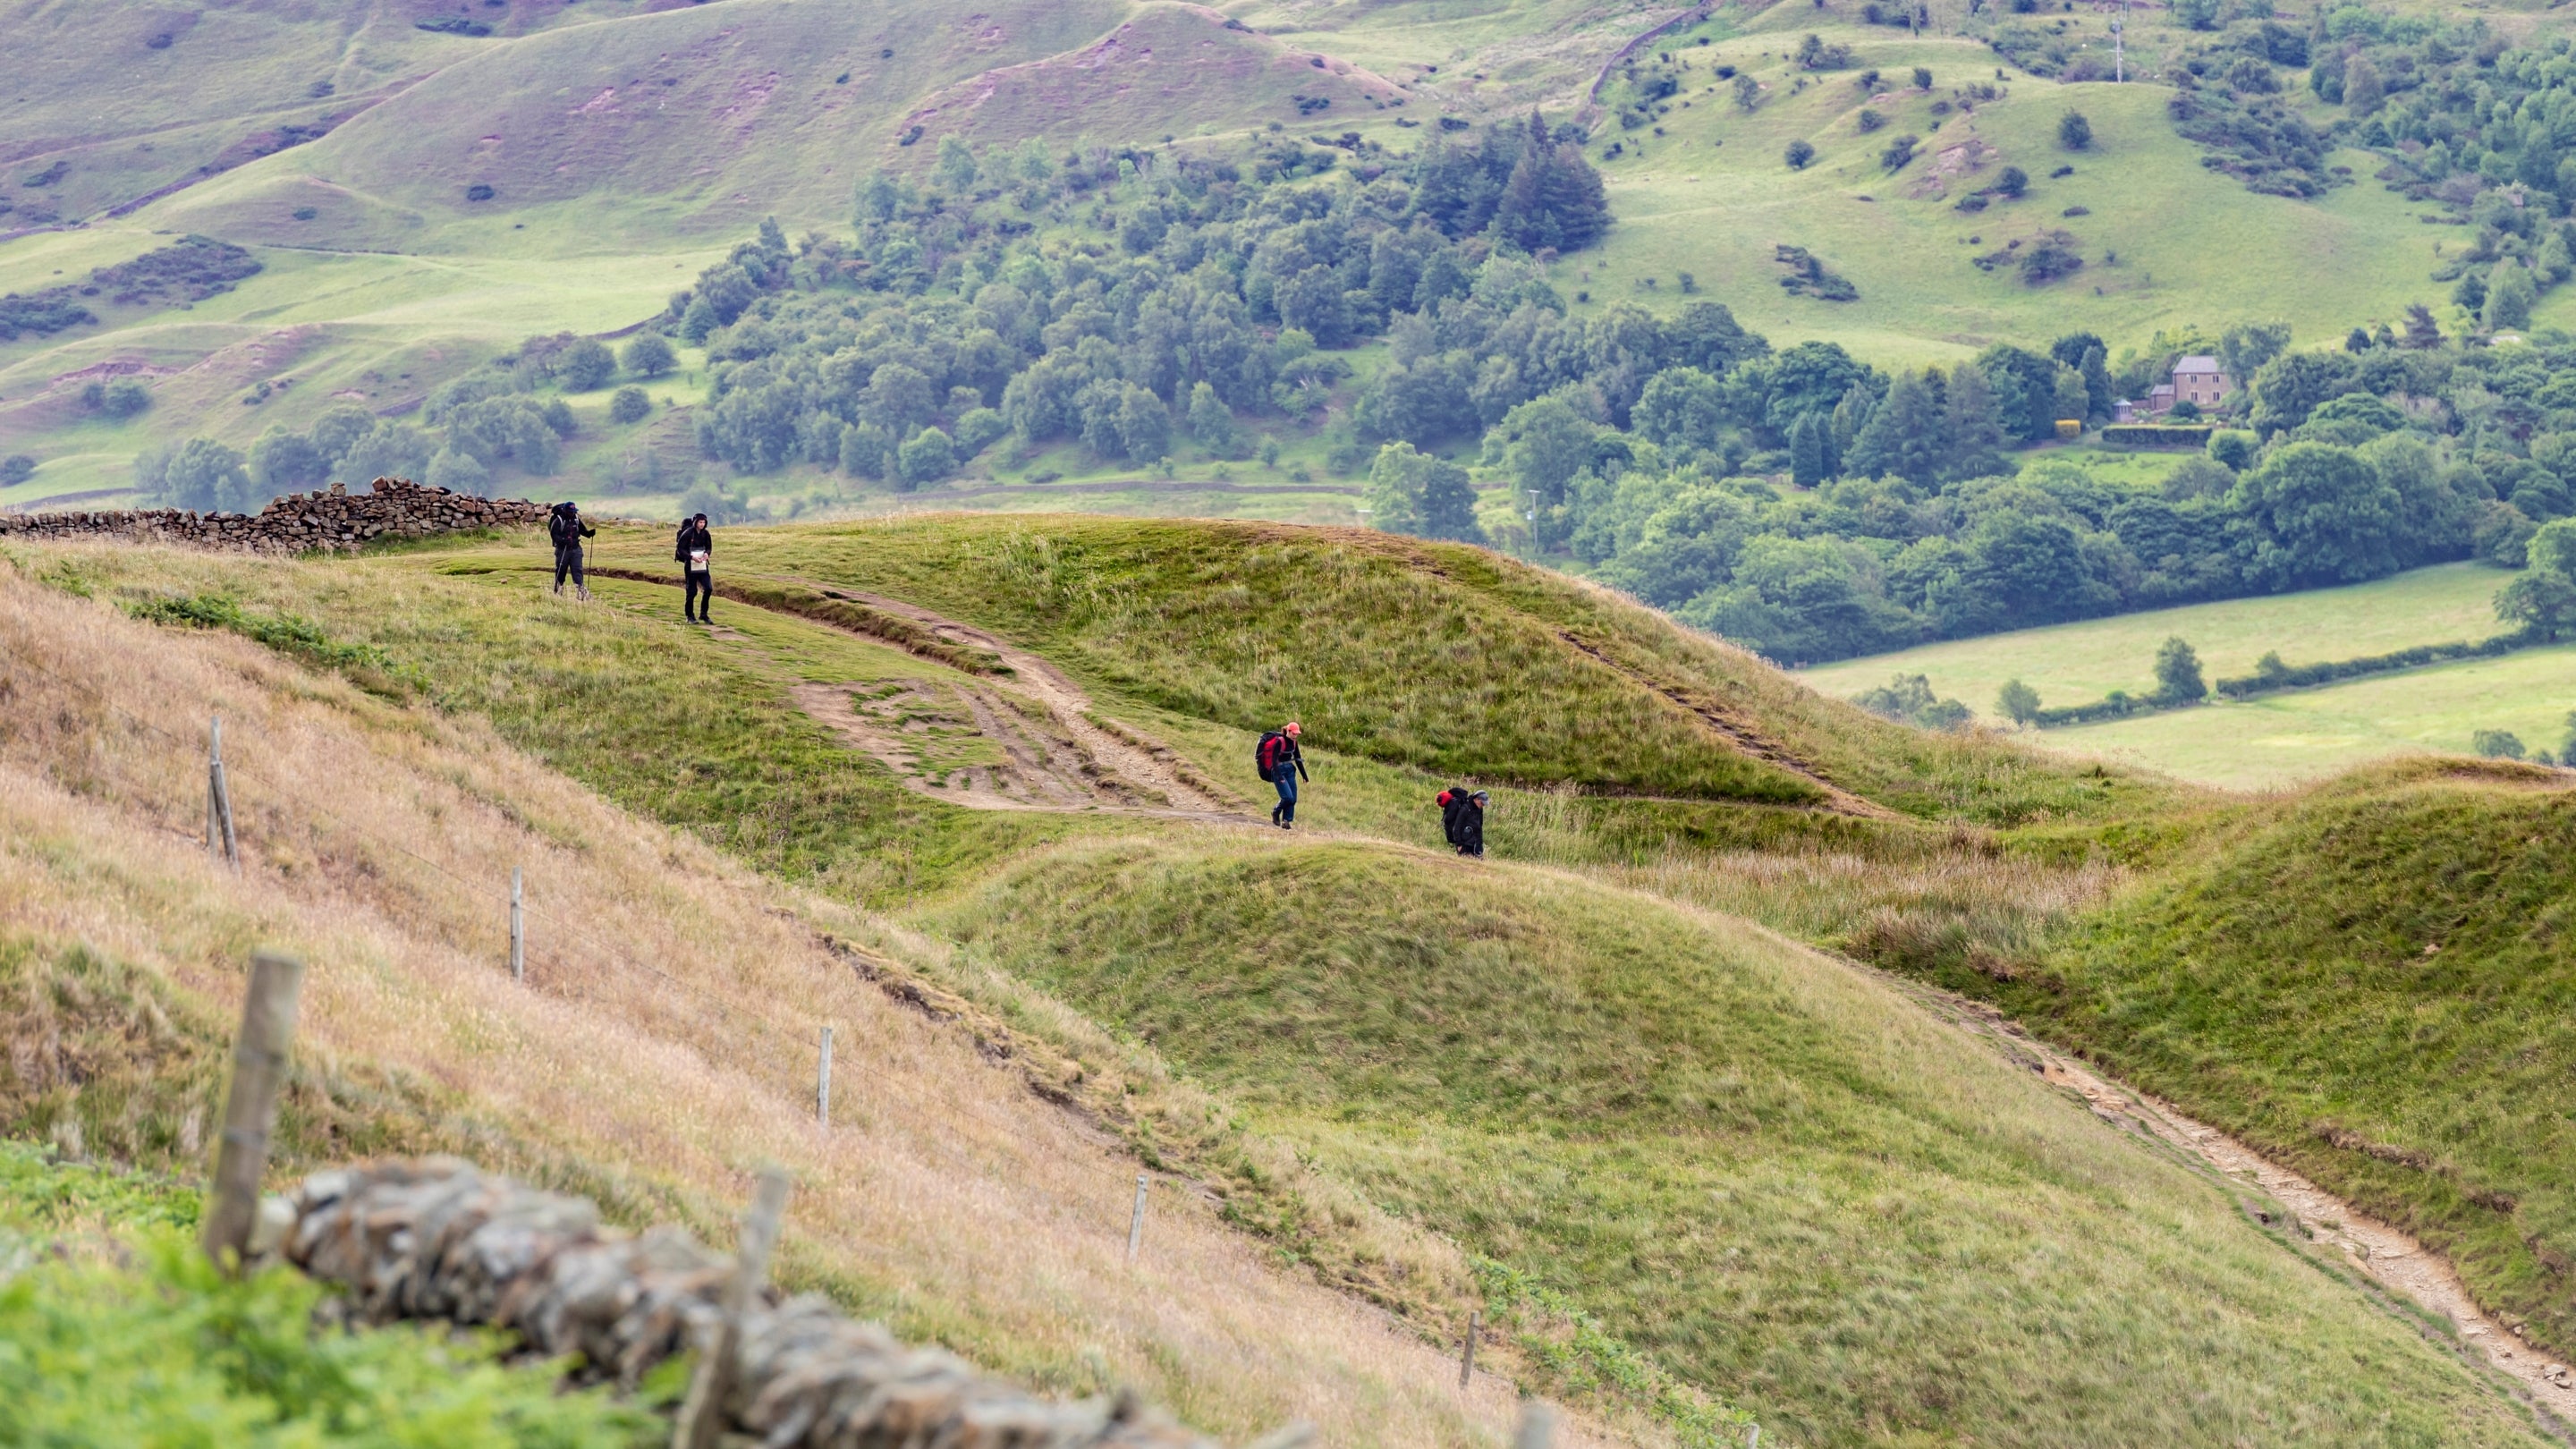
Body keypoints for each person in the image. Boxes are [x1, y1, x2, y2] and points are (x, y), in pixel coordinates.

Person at [1257, 721, 1308, 829]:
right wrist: (1279, 777)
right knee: (1287, 797)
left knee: (1293, 798)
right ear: (1288, 731)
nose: (1295, 736)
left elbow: (1298, 759)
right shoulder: (1280, 742)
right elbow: (1274, 761)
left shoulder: (1294, 743)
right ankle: (1275, 812)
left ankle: (1286, 821)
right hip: (1278, 771)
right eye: (1294, 733)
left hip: (1290, 770)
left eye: (1297, 734)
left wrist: (1304, 775)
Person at [548, 501, 595, 599]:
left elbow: (582, 531)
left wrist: (589, 534)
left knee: (577, 570)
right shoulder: (559, 520)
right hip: (562, 550)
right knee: (561, 571)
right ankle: (557, 593)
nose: (572, 513)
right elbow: (554, 535)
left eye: (573, 511)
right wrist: (563, 541)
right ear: (565, 510)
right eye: (570, 511)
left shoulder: (576, 519)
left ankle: (582, 594)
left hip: (576, 549)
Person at [675, 512, 713, 623]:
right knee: (691, 591)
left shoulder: (706, 534)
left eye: (704, 522)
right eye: (700, 522)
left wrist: (707, 554)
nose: (702, 524)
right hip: (690, 565)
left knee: (709, 588)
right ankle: (690, 616)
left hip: (702, 565)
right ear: (695, 522)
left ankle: (704, 614)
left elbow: (709, 547)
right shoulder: (688, 533)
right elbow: (680, 549)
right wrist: (691, 557)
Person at [1437, 786, 1487, 857]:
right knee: (1466, 866)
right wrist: (1459, 844)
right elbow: (1456, 827)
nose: (1483, 805)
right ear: (1476, 799)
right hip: (1464, 844)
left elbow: (1479, 827)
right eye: (1482, 803)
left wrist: (1479, 843)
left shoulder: (1479, 810)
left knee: (1479, 866)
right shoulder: (1465, 808)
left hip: (1475, 843)